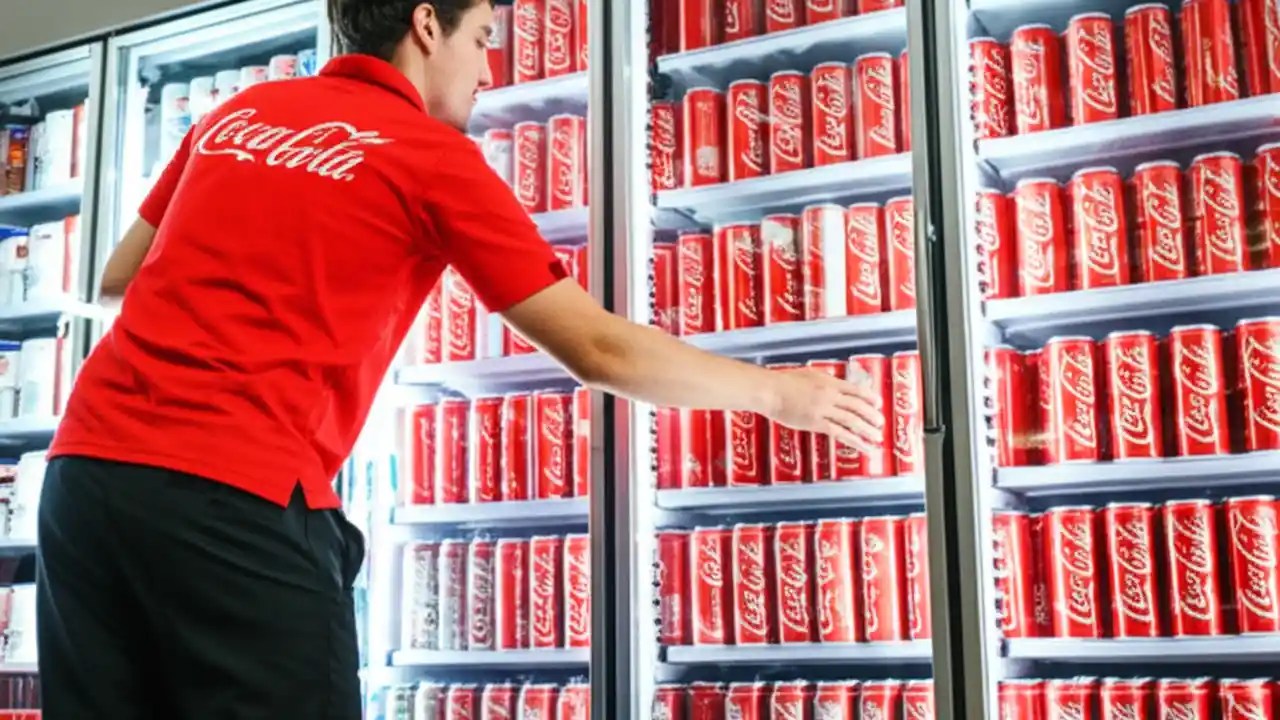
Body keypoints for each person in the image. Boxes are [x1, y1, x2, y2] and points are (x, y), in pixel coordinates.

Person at [35, 0, 885, 717]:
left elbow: (119, 279)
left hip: (84, 481)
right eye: (482, 38)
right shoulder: (430, 155)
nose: (490, 71)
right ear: (426, 27)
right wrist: (777, 394)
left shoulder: (240, 115)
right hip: (237, 494)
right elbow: (595, 348)